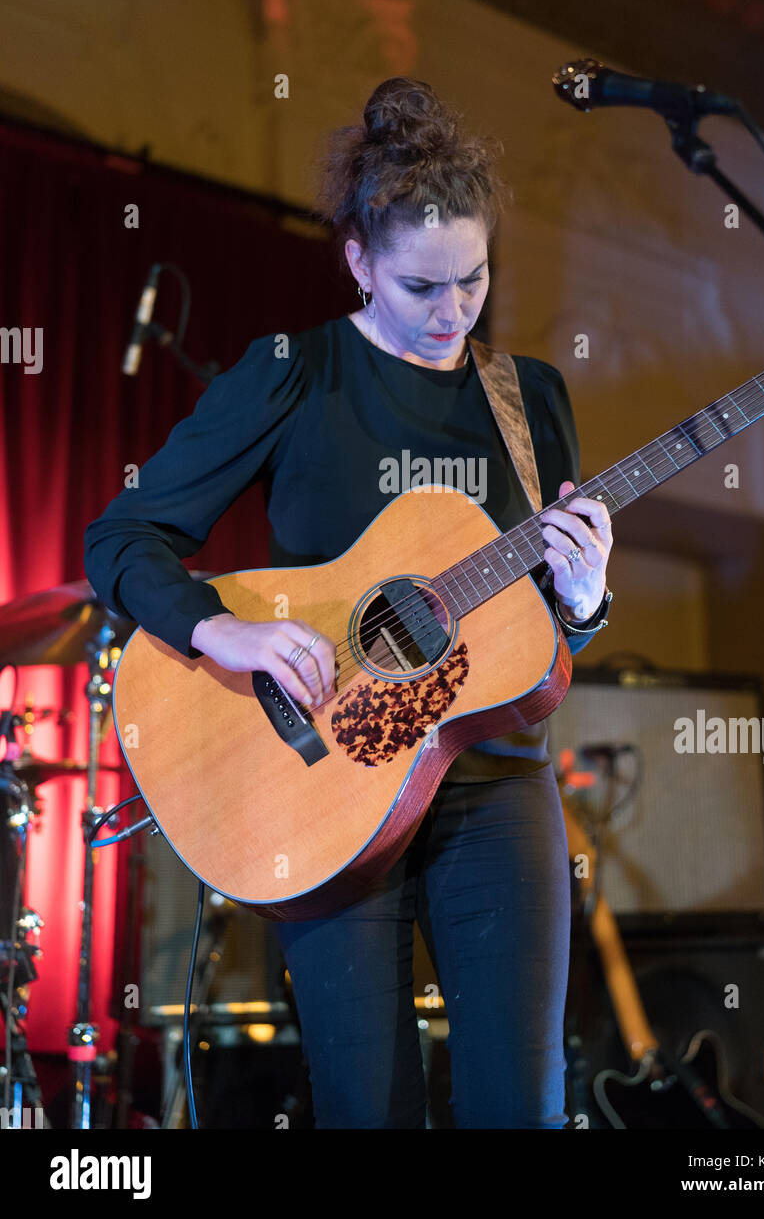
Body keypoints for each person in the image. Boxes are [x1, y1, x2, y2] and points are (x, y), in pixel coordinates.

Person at [84, 77, 614, 1129]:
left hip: (489, 779)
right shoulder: (292, 373)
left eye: (472, 278)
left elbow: (548, 633)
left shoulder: (529, 399)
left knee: (524, 1107)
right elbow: (121, 536)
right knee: (368, 1110)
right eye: (421, 286)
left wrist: (587, 601)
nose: (452, 309)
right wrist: (222, 631)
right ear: (359, 264)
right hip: (317, 775)